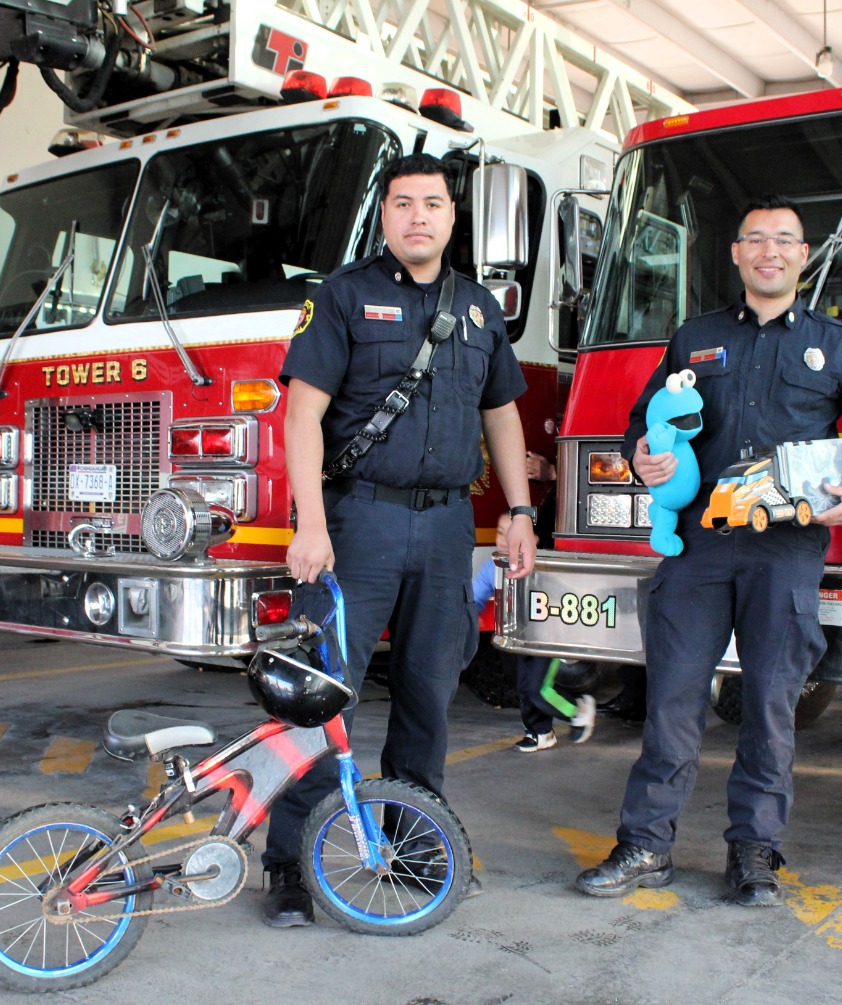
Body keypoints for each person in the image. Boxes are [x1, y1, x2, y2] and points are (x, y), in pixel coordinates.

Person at [574, 194, 842, 907]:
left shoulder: (836, 345)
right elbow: (645, 420)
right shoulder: (695, 338)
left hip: (785, 552)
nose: (770, 251)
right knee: (672, 702)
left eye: (785, 240)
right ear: (735, 253)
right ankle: (646, 844)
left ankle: (754, 851)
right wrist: (641, 455)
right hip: (698, 546)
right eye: (756, 239)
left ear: (804, 256)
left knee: (769, 705)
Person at [263, 152, 539, 927]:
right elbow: (302, 415)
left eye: (433, 203)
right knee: (322, 694)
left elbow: (502, 414)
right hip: (360, 522)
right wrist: (311, 522)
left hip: (447, 525)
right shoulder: (343, 295)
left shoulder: (479, 308)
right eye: (403, 202)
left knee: (427, 694)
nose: (419, 216)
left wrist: (520, 510)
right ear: (383, 214)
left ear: (453, 216)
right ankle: (289, 861)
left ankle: (416, 847)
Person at [474, 512, 595, 752]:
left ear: (533, 540)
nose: (504, 541)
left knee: (539, 690)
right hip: (518, 640)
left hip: (546, 640)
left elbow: (566, 600)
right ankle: (540, 733)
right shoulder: (492, 567)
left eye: (512, 535)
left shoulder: (542, 566)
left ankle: (578, 711)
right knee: (524, 689)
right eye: (500, 533)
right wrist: (467, 616)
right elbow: (476, 596)